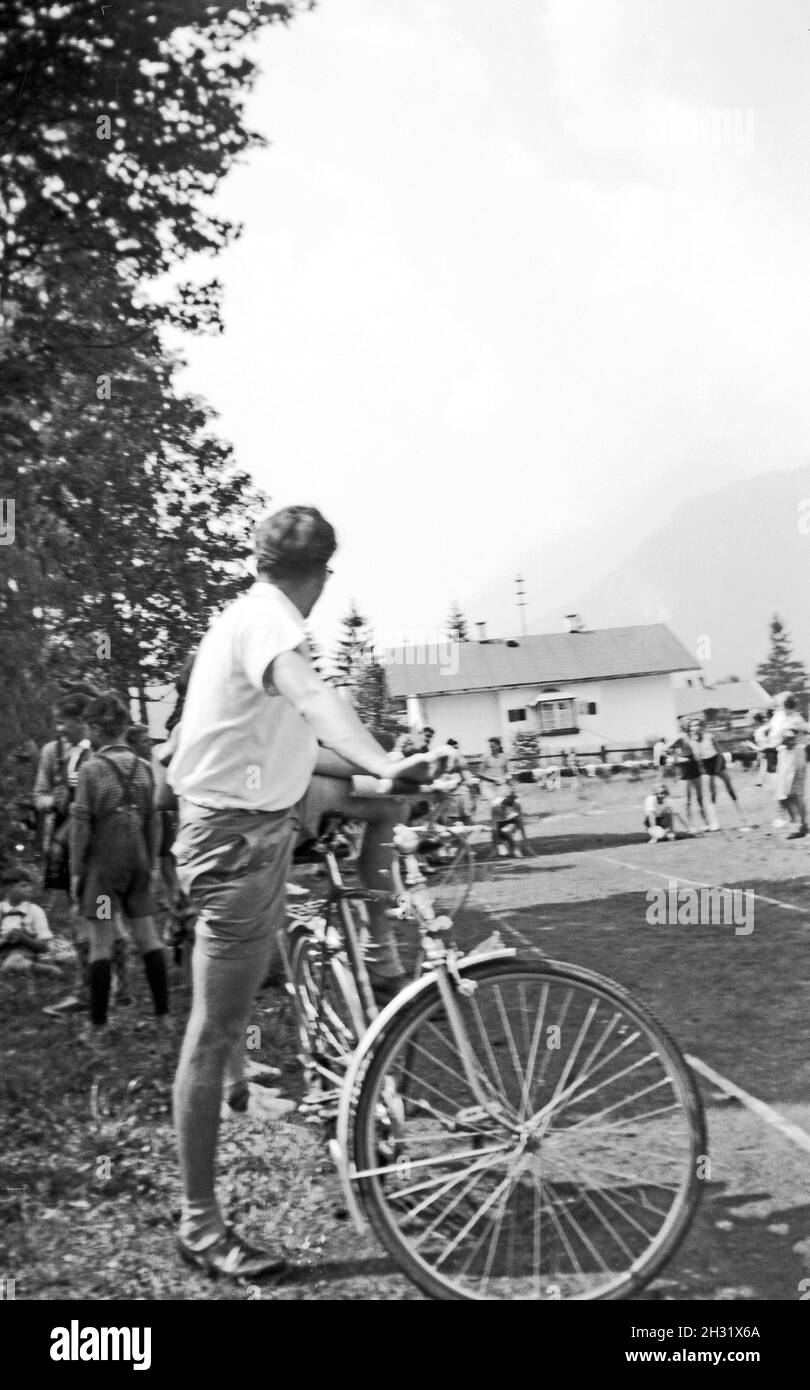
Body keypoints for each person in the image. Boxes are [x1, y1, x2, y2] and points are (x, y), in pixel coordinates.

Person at [168, 506, 436, 1280]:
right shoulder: (269, 628)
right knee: (216, 1032)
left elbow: (304, 739)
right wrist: (381, 763)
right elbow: (316, 701)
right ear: (321, 574)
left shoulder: (247, 618)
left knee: (383, 805)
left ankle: (362, 1000)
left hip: (264, 815)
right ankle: (199, 1223)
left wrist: (383, 779)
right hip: (235, 840)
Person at [70, 693, 169, 1043]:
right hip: (139, 860)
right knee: (148, 937)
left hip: (104, 867)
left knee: (100, 943)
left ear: (97, 728)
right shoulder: (143, 768)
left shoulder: (91, 769)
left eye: (89, 727)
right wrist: (154, 863)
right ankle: (163, 1019)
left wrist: (77, 873)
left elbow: (82, 825)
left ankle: (98, 1026)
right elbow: (153, 821)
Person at [37, 695, 131, 1018]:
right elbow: (39, 796)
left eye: (65, 722)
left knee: (102, 914)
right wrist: (53, 801)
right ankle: (96, 987)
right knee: (82, 914)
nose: (61, 729)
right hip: (68, 843)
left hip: (101, 844)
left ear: (84, 722)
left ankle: (110, 988)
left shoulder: (105, 754)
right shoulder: (55, 753)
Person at [769, 693, 807, 838]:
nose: (777, 710)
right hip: (788, 757)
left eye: (778, 706)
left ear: (785, 706)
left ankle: (802, 826)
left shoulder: (795, 720)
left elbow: (787, 738)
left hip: (794, 757)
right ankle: (800, 824)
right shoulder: (789, 719)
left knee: (796, 793)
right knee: (788, 793)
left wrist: (776, 741)